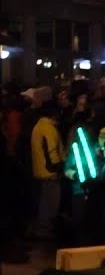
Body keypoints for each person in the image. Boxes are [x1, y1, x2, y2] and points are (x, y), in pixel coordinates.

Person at [28, 99, 65, 243]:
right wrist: (57, 167)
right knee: (50, 203)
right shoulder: (48, 128)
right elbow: (51, 151)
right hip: (50, 172)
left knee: (44, 201)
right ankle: (45, 230)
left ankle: (42, 228)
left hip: (42, 170)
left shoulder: (39, 126)